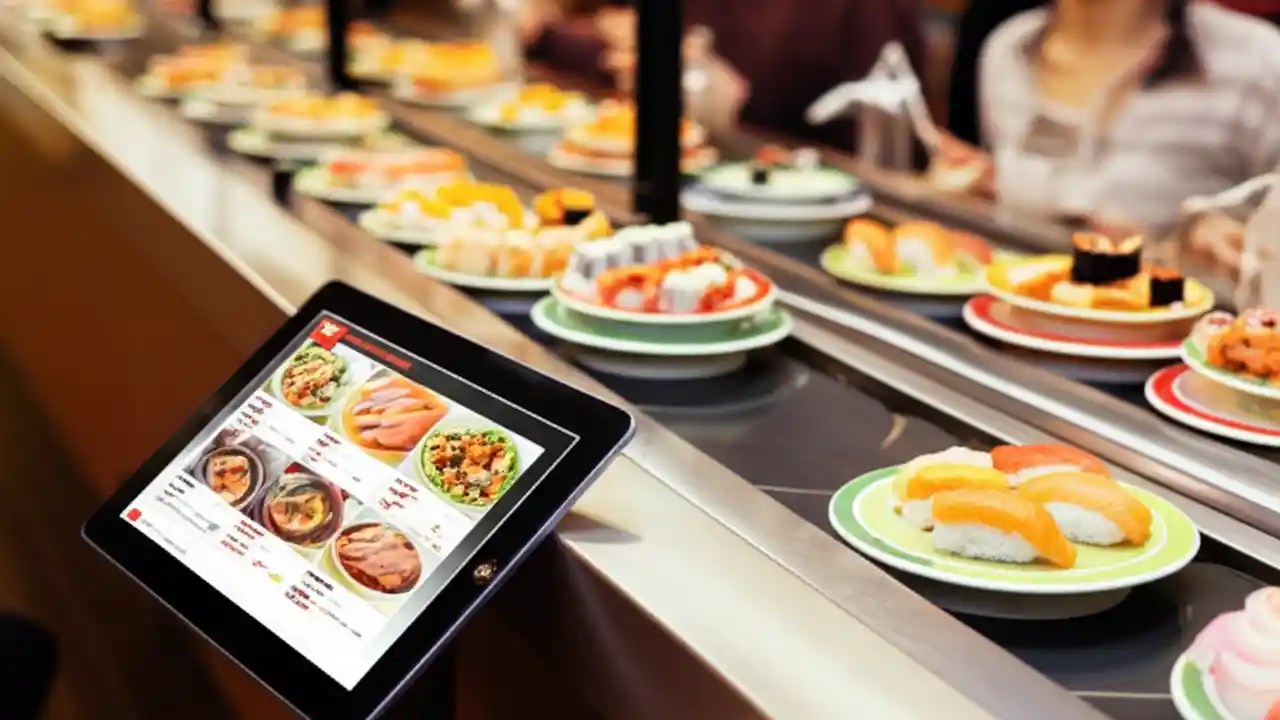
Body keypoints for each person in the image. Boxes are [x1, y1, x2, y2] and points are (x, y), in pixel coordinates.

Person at [961, 0, 1280, 235]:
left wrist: (1240, 240)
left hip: (1189, 317)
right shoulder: (1007, 49)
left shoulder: (1258, 65)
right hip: (1017, 310)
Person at [523, 1, 926, 151]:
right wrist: (542, 34)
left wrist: (721, 90)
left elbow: (893, 142)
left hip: (811, 215)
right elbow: (625, 48)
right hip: (691, 179)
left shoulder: (866, 11)